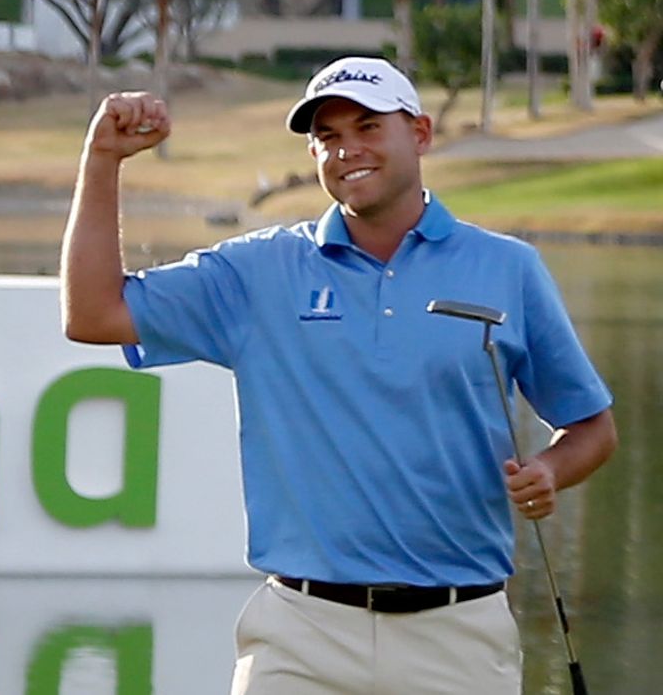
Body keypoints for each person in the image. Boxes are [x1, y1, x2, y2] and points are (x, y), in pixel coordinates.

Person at [59, 56, 617, 694]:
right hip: (300, 634)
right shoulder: (257, 272)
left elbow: (591, 426)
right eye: (327, 136)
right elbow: (95, 313)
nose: (347, 149)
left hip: (458, 632)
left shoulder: (508, 268)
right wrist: (102, 161)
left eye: (368, 126)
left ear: (421, 134)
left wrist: (549, 470)